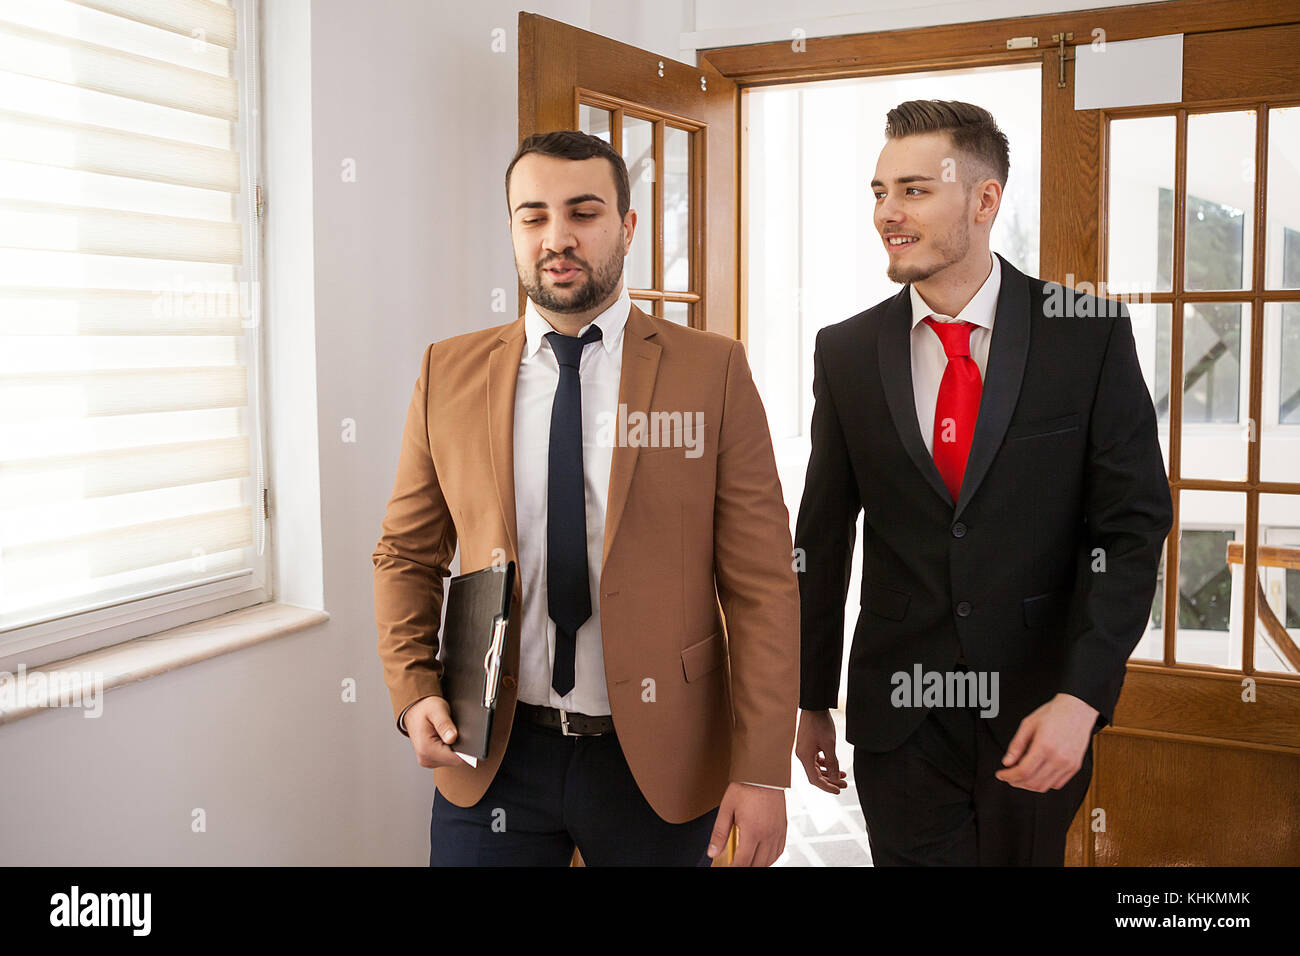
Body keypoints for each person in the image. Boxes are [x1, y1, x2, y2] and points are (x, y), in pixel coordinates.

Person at [372, 130, 799, 866]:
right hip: (493, 759)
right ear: (512, 228)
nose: (557, 237)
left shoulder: (712, 372)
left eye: (584, 212)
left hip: (661, 761)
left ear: (628, 228)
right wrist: (413, 690)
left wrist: (762, 768)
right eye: (532, 216)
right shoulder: (448, 371)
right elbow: (405, 554)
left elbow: (763, 582)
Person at [794, 100, 1172, 865]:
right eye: (878, 192)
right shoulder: (846, 351)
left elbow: (1130, 532)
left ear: (985, 199)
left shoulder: (1088, 334)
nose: (887, 214)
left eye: (913, 190)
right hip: (900, 718)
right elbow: (823, 538)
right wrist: (809, 699)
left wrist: (1083, 696)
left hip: (1038, 712)